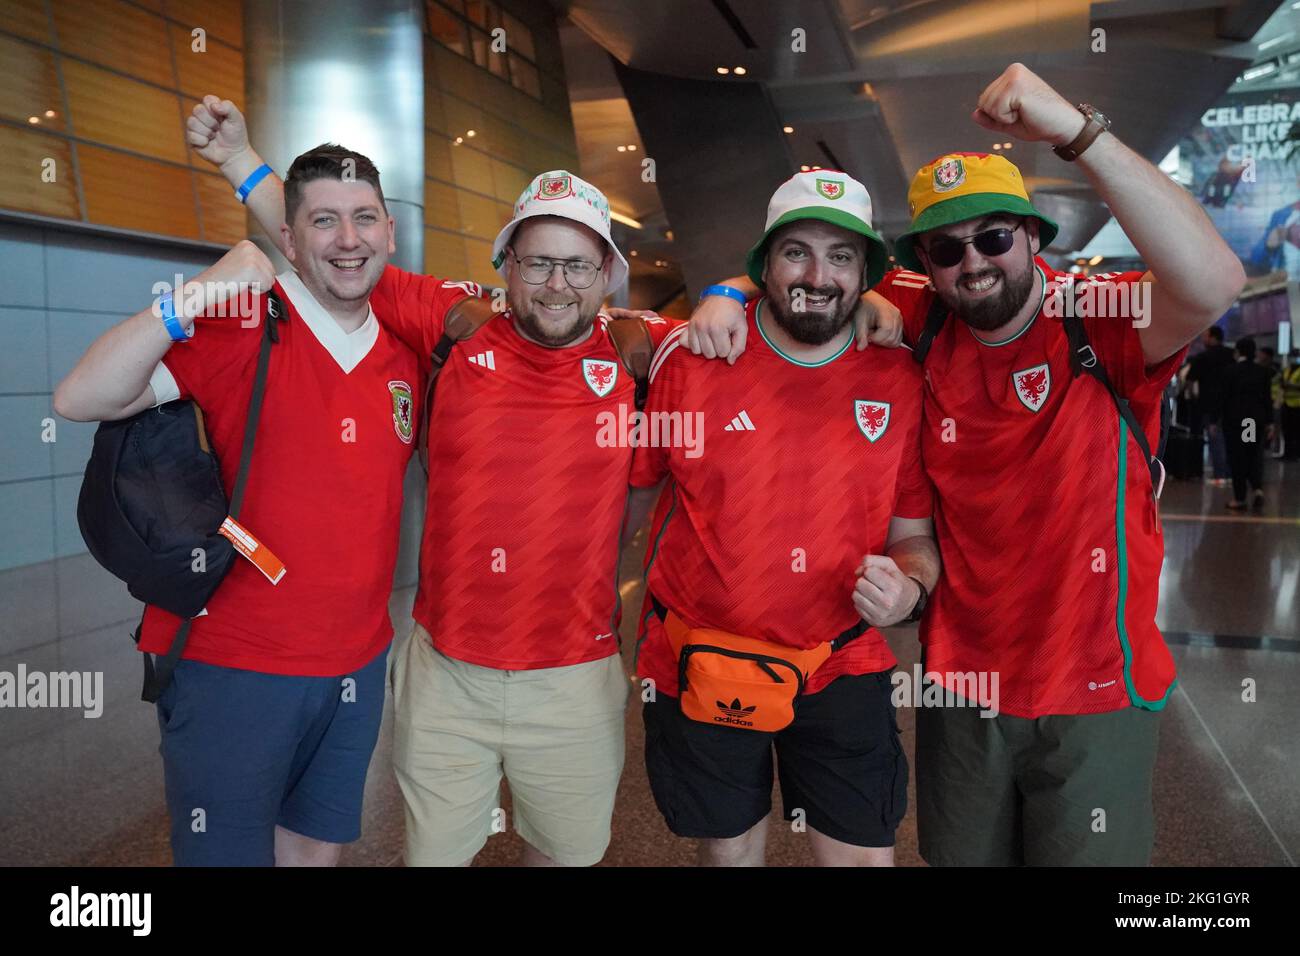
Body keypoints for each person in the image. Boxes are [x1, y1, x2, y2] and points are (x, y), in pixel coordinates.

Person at [687, 63, 1246, 865]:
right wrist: (726, 288)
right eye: (947, 248)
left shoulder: (1095, 320)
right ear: (925, 262)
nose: (972, 262)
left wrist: (1075, 130)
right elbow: (812, 275)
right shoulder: (926, 318)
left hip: (1092, 685)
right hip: (960, 686)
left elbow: (1214, 280)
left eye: (993, 237)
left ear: (1032, 235)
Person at [54, 144, 485, 866]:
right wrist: (193, 294)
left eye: (363, 219)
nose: (347, 240)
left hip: (355, 663)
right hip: (232, 661)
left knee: (315, 849)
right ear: (288, 238)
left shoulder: (410, 351)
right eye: (323, 220)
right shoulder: (244, 321)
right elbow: (79, 397)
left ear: (390, 234)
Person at [627, 170, 940, 867]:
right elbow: (631, 498)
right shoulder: (693, 357)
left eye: (841, 256)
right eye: (796, 251)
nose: (817, 274)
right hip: (701, 661)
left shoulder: (899, 378)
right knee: (729, 853)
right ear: (763, 264)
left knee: (862, 858)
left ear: (866, 274)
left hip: (841, 662)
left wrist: (910, 589)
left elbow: (913, 536)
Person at [1221, 336, 1273, 511]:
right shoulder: (1263, 371)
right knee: (1253, 455)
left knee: (1238, 458)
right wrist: (1270, 422)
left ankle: (1240, 498)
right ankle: (1257, 489)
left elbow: (1224, 399)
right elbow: (1267, 399)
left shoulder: (1230, 371)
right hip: (1254, 421)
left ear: (1238, 351)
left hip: (1237, 422)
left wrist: (1216, 419)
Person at [1187, 325, 1234, 484]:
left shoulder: (1202, 357)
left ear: (1213, 337)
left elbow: (1190, 381)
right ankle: (1230, 473)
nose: (1203, 339)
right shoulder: (1231, 355)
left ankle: (1220, 474)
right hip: (1230, 404)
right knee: (1229, 439)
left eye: (1205, 336)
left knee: (1215, 440)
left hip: (1208, 404)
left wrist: (1193, 397)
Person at [1281, 349, 1300, 461]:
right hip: (1286, 403)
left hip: (1298, 405)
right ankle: (1287, 453)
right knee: (1287, 430)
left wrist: (1291, 385)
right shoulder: (1287, 369)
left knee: (1296, 431)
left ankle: (1296, 454)